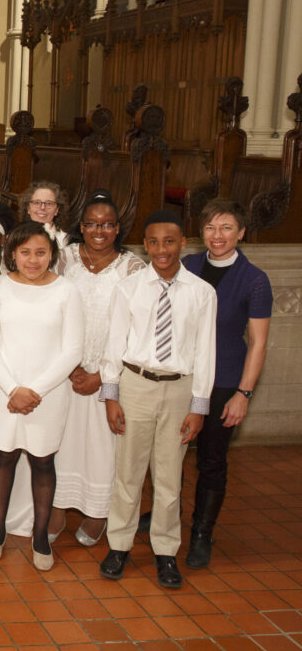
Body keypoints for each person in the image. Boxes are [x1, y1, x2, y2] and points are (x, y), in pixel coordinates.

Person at [98, 211, 216, 589]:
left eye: (169, 241)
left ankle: (166, 552)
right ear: (144, 245)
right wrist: (111, 395)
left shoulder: (202, 292)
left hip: (180, 388)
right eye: (153, 242)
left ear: (184, 243)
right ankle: (119, 545)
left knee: (169, 476)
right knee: (128, 472)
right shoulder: (129, 288)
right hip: (136, 385)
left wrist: (199, 406)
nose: (161, 249)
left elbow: (204, 353)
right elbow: (114, 343)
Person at [0, 221, 85, 571]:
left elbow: (73, 350)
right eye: (25, 252)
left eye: (41, 252)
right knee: (5, 457)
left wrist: (34, 391)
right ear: (12, 253)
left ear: (52, 254)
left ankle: (40, 536)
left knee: (43, 462)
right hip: (4, 390)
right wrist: (13, 389)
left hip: (49, 394)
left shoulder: (66, 291)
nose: (32, 259)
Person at [49, 191, 144, 548]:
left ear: (118, 228)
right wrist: (69, 364)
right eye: (91, 223)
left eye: (106, 224)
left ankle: (97, 512)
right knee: (59, 442)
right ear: (82, 226)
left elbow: (135, 329)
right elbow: (49, 307)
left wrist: (103, 376)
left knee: (103, 447)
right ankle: (57, 507)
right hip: (65, 371)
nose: (98, 230)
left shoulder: (133, 268)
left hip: (108, 374)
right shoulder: (65, 258)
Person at [182, 199, 271, 569]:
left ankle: (202, 532)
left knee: (211, 460)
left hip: (224, 381)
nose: (217, 236)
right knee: (167, 454)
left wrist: (243, 393)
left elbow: (259, 342)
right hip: (183, 378)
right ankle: (164, 517)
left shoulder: (254, 279)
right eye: (210, 228)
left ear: (242, 232)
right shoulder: (187, 266)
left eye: (226, 228)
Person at [19, 181, 70, 248]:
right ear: (28, 208)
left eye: (49, 203)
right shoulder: (16, 237)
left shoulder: (66, 241)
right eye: (37, 202)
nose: (42, 207)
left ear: (56, 210)